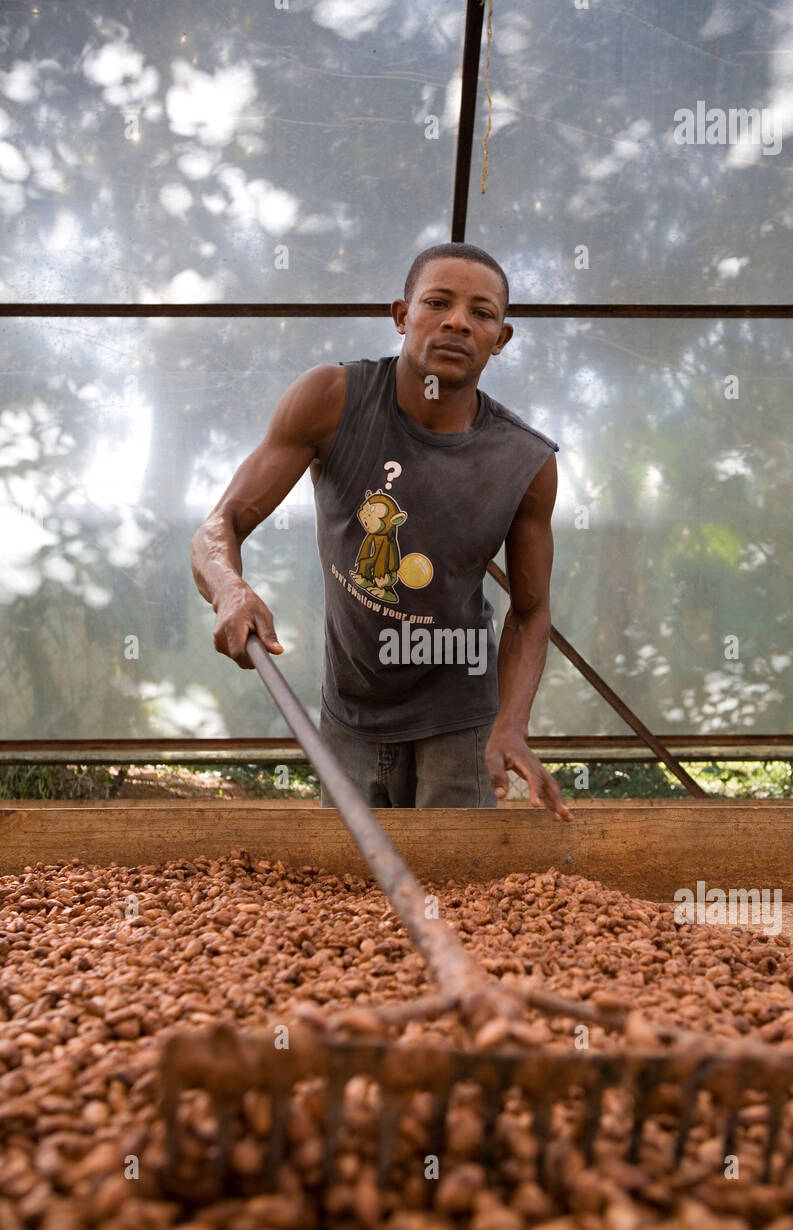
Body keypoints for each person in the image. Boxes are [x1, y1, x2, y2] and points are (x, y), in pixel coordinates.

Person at [190, 242, 572, 822]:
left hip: (459, 720)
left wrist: (511, 725)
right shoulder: (330, 400)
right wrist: (228, 588)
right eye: (438, 302)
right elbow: (222, 524)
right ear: (401, 315)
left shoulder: (526, 461)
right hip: (348, 711)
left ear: (502, 338)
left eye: (482, 313)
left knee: (457, 894)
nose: (457, 322)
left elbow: (531, 611)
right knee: (351, 894)